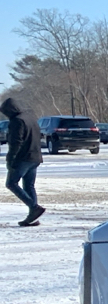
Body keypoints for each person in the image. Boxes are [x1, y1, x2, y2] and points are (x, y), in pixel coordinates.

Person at [2, 94, 44, 226]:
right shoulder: (31, 118)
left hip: (23, 158)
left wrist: (11, 159)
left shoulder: (17, 121)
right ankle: (33, 217)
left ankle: (34, 208)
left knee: (11, 183)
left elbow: (16, 142)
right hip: (35, 156)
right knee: (29, 185)